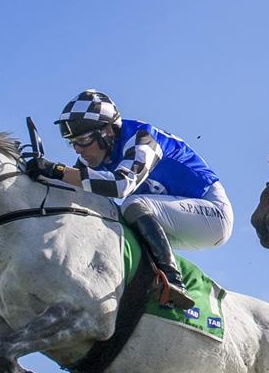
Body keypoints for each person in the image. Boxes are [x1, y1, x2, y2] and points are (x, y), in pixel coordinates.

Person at [24, 90, 233, 310]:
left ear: (107, 131)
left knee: (133, 204)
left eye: (84, 140)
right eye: (73, 143)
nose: (78, 149)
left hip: (213, 214)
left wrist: (55, 169)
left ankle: (172, 280)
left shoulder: (142, 138)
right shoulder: (94, 157)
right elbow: (69, 192)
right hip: (171, 218)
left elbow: (121, 186)